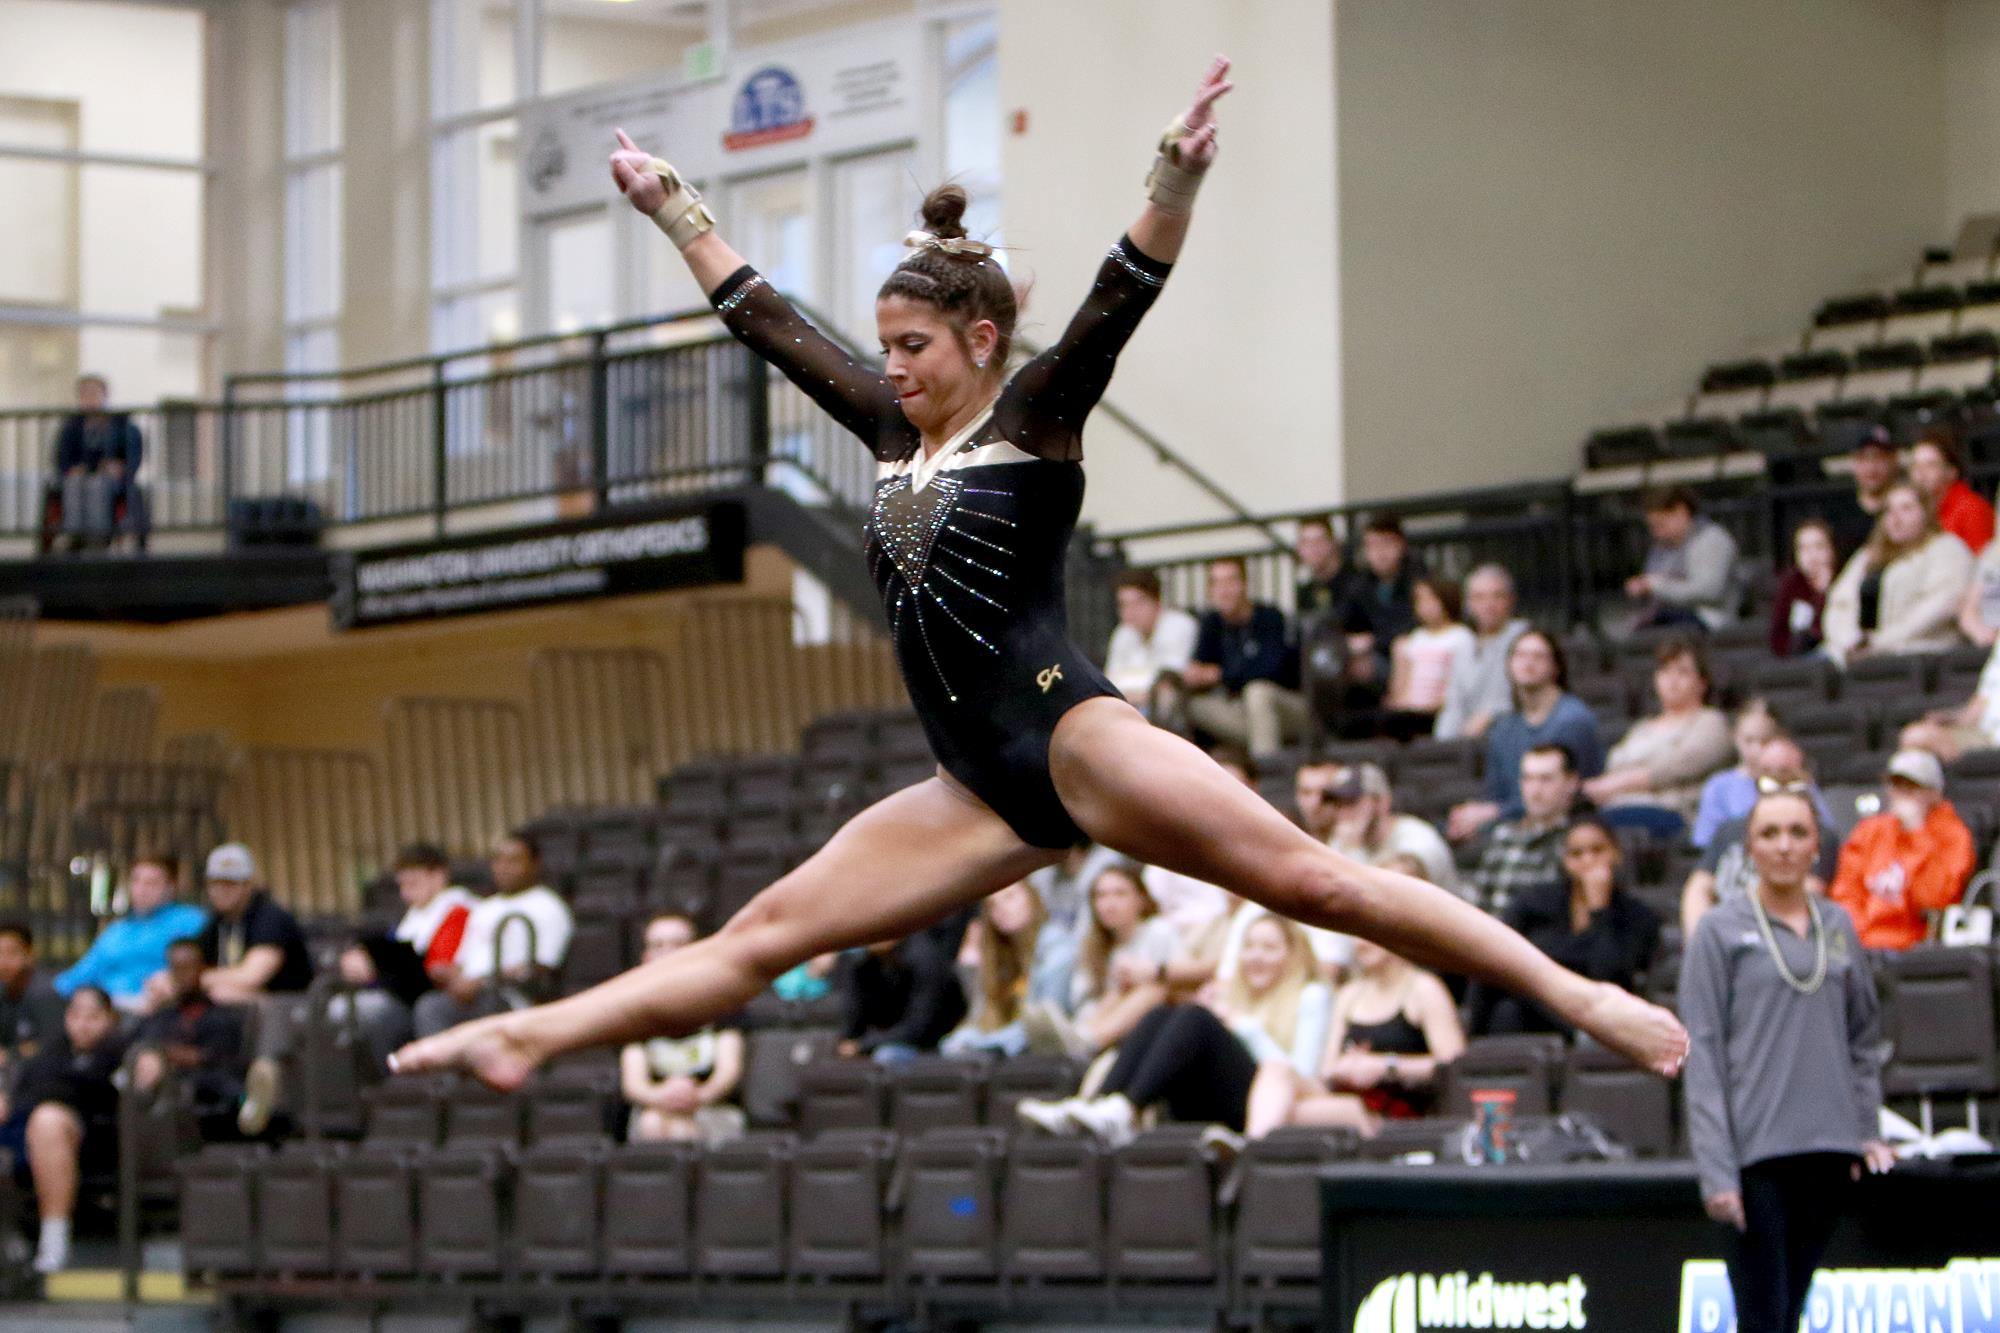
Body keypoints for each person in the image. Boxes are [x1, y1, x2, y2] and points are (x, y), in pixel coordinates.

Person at [391, 61, 1686, 1097]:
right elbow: (767, 320)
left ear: (981, 337)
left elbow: (1126, 293)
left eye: (912, 344)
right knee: (764, 931)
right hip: (977, 788)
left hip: (1074, 738)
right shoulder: (893, 433)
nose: (890, 365)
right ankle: (532, 1038)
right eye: (885, 344)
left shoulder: (1037, 417)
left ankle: (1586, 1001)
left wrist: (1171, 175)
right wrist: (676, 208)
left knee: (1317, 884)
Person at [1680, 787, 1894, 1333]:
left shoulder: (1839, 925)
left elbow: (1863, 1039)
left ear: (1816, 846)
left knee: (1790, 1312)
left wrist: (1864, 1129)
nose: (1783, 846)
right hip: (1754, 1158)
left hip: (1826, 1152)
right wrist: (1717, 1171)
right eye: (1769, 833)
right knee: (1763, 1317)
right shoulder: (1718, 929)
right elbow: (1700, 1052)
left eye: (1797, 833)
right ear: (1748, 847)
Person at [1017, 913, 1330, 1145]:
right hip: (1205, 1099)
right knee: (1160, 1015)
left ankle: (1125, 1109)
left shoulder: (1311, 995)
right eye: (1249, 947)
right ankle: (1101, 1106)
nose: (1255, 957)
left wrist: (1238, 1025)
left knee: (1197, 1017)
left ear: (1292, 955)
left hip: (1262, 1105)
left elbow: (1300, 1073)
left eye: (1269, 948)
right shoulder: (1232, 993)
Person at [1246, 933, 1465, 1135]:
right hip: (1343, 1102)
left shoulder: (1423, 989)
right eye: (1356, 935)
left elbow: (1455, 1065)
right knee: (1276, 1070)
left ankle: (1249, 1153)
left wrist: (1385, 1066)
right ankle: (1253, 1149)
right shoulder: (1349, 995)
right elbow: (1326, 1070)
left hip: (1394, 1114)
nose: (1362, 942)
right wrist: (1345, 1068)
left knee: (1291, 1113)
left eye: (1371, 934)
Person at [1467, 817, 1661, 1036]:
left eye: (1597, 850)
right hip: (1533, 1008)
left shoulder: (1639, 917)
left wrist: (1600, 911)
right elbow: (1499, 955)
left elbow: (1610, 976)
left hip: (1598, 1017)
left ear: (1616, 854)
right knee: (1505, 1008)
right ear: (1565, 861)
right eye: (1576, 854)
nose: (1588, 860)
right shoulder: (1533, 903)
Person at [0, 987, 126, 1273]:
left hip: (95, 1140)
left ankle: (54, 1242)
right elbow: (27, 1086)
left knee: (48, 1120)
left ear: (110, 1018)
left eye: (93, 1016)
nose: (82, 1024)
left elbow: (91, 1091)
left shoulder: (119, 1050)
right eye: (76, 1015)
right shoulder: (53, 1050)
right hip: (23, 1131)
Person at [193, 842, 313, 1136]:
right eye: (216, 884)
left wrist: (204, 979)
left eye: (231, 884)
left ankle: (265, 1089)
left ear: (249, 885)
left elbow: (253, 976)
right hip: (242, 1007)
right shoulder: (215, 923)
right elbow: (191, 967)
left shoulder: (271, 917)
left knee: (262, 1007)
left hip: (290, 1002)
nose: (222, 891)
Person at [1447, 630, 1606, 841]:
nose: (1528, 663)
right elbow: (1494, 794)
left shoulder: (1573, 720)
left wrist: (1494, 813)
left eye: (1538, 656)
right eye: (1520, 655)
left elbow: (1577, 795)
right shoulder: (1502, 728)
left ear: (1555, 667)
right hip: (1511, 823)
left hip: (1563, 827)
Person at [413, 830, 573, 1039]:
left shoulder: (548, 907)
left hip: (514, 997)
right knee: (429, 1005)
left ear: (535, 863)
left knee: (481, 1005)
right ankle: (439, 1072)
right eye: (498, 860)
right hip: (470, 995)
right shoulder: (484, 908)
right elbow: (466, 960)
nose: (504, 868)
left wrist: (481, 982)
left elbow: (541, 967)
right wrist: (451, 975)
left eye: (513, 861)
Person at [336, 843, 476, 1065]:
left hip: (433, 996)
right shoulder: (413, 915)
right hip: (402, 993)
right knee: (339, 1009)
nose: (405, 893)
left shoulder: (457, 908)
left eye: (413, 883)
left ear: (438, 876)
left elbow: (438, 963)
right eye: (402, 885)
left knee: (363, 1012)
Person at [1680, 741, 1839, 936]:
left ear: (1805, 778)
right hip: (1723, 932)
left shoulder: (1814, 833)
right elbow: (1698, 888)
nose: (1776, 781)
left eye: (1785, 772)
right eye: (1767, 773)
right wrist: (1700, 939)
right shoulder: (1729, 830)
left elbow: (1806, 894)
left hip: (1776, 936)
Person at [1582, 637, 1734, 834]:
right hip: (1617, 810)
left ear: (1702, 682)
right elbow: (1614, 764)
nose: (1672, 680)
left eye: (1682, 672)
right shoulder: (1641, 728)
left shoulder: (1710, 722)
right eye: (1665, 671)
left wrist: (1617, 784)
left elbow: (1675, 767)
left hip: (1671, 815)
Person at [1826, 750, 1974, 951]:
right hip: (1866, 943)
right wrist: (1860, 937)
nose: (1902, 793)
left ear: (1934, 792)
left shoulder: (1953, 835)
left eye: (1913, 787)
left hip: (1920, 947)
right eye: (1895, 784)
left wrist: (1917, 833)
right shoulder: (1870, 831)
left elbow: (1934, 899)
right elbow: (1846, 893)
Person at [621, 915, 745, 1142]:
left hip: (712, 1109)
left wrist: (695, 1097)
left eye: (678, 944)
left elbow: (728, 1074)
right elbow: (634, 1083)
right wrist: (662, 1097)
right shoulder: (634, 1012)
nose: (668, 953)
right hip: (654, 1109)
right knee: (651, 1123)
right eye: (658, 946)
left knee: (680, 1130)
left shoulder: (723, 1003)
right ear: (645, 956)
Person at [1821, 481, 1974, 664]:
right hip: (1858, 659)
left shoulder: (1947, 549)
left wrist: (1880, 641)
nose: (1895, 517)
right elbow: (1840, 603)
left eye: (1906, 508)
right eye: (1889, 510)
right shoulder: (1869, 555)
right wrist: (1848, 639)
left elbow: (1938, 607)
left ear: (1926, 512)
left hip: (1922, 659)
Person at [1050, 862, 1180, 1055]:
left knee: (1150, 988)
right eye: (1101, 896)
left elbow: (1176, 988)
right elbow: (1084, 1001)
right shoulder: (1091, 946)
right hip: (1104, 1026)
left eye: (1119, 894)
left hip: (1153, 1027)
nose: (1109, 904)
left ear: (1141, 898)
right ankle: (1080, 1040)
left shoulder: (1159, 931)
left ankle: (1086, 1042)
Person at [1183, 556, 1305, 757]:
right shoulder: (1212, 623)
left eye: (1231, 581)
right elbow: (1200, 666)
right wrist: (1195, 675)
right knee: (1187, 704)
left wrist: (1220, 675)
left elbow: (1270, 669)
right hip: (1240, 711)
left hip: (1285, 705)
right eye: (1217, 583)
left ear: (1245, 584)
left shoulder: (1269, 617)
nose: (1225, 590)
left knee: (1257, 692)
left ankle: (1267, 775)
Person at [128, 938, 248, 1142]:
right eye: (176, 969)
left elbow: (214, 1058)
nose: (182, 976)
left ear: (203, 969)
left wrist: (163, 1054)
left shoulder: (219, 1017)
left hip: (205, 1090)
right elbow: (133, 1045)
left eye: (188, 968)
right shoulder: (161, 1015)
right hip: (161, 1092)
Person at [942, 880, 1077, 1058]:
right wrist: (969, 970)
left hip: (1051, 1051)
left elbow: (1046, 1022)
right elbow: (982, 1016)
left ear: (1032, 898)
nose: (1002, 909)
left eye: (1010, 897)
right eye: (992, 905)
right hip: (1009, 1049)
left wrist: (987, 1043)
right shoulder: (999, 955)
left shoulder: (1056, 945)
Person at [56, 854, 206, 1012]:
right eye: (136, 881)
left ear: (171, 887)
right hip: (106, 1010)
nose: (142, 889)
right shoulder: (117, 931)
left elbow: (205, 967)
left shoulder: (192, 922)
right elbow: (81, 974)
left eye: (151, 883)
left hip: (162, 1008)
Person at [1469, 743, 1581, 916]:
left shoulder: (1578, 841)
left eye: (1546, 779)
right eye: (1528, 779)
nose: (1535, 791)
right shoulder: (1503, 835)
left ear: (1571, 782)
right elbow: (1476, 904)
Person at [1324, 763, 1460, 896]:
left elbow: (1393, 890)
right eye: (1338, 804)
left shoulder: (1417, 836)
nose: (1343, 813)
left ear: (1382, 802)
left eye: (1351, 802)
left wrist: (1349, 850)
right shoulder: (1344, 840)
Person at [835, 930, 967, 1063]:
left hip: (934, 1044)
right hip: (886, 1039)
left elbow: (918, 1027)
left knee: (886, 1055)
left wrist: (863, 1045)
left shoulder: (925, 958)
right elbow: (852, 1023)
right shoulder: (862, 963)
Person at [1625, 487, 1742, 630]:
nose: (1655, 533)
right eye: (1652, 527)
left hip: (1708, 623)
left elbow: (1709, 590)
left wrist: (1655, 586)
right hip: (1668, 620)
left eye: (1660, 525)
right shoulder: (1661, 548)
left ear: (1681, 512)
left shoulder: (1712, 539)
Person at [1435, 565, 1529, 741]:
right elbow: (1454, 704)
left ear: (1511, 600)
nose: (1488, 605)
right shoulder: (1463, 644)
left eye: (1497, 596)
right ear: (1468, 603)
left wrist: (1490, 715)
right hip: (1466, 743)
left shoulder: (1524, 638)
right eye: (1479, 597)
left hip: (1512, 735)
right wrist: (1442, 745)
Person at [50, 373, 144, 551]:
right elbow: (61, 458)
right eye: (85, 394)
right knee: (74, 483)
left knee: (97, 484)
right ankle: (74, 534)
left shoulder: (121, 425)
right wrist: (71, 469)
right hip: (79, 476)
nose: (89, 398)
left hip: (109, 478)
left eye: (94, 393)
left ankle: (99, 536)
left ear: (105, 395)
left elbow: (133, 454)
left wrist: (119, 468)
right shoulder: (71, 426)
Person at [1379, 575, 1474, 740]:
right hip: (1409, 714)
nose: (1426, 606)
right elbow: (1402, 683)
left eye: (1431, 599)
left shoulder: (1461, 636)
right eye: (1420, 600)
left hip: (1438, 714)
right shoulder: (1415, 638)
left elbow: (1459, 682)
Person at [1103, 568, 1199, 718]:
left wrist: (1134, 694)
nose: (1131, 611)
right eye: (1124, 605)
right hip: (1130, 707)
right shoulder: (1122, 633)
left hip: (1176, 706)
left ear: (1157, 601)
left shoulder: (1179, 625)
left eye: (1138, 603)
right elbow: (1111, 681)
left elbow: (1171, 678)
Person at [1691, 701, 1781, 849]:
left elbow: (1823, 832)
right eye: (1749, 740)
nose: (1757, 749)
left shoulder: (1795, 780)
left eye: (1765, 741)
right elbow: (1705, 841)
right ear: (1735, 738)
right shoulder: (1718, 786)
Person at [1909, 431, 1994, 555]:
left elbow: (1982, 562)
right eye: (1916, 466)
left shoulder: (1972, 508)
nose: (1921, 473)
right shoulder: (1917, 510)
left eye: (1930, 465)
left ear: (1951, 471)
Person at [1820, 427, 1899, 558]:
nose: (1871, 467)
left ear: (1893, 460)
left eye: (1878, 457)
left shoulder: (1905, 509)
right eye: (1863, 458)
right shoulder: (1837, 513)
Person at [0, 922, 68, 1070]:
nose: (3, 962)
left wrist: (10, 1055)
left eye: (11, 953)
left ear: (30, 954)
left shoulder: (45, 993)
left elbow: (52, 1045)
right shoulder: (4, 990)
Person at [1769, 521, 1836, 658]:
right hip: (1798, 659)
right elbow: (1778, 637)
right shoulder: (1791, 585)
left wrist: (1823, 594)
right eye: (1803, 549)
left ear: (1831, 550)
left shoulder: (1843, 582)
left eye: (1819, 547)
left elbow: (1827, 631)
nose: (1812, 556)